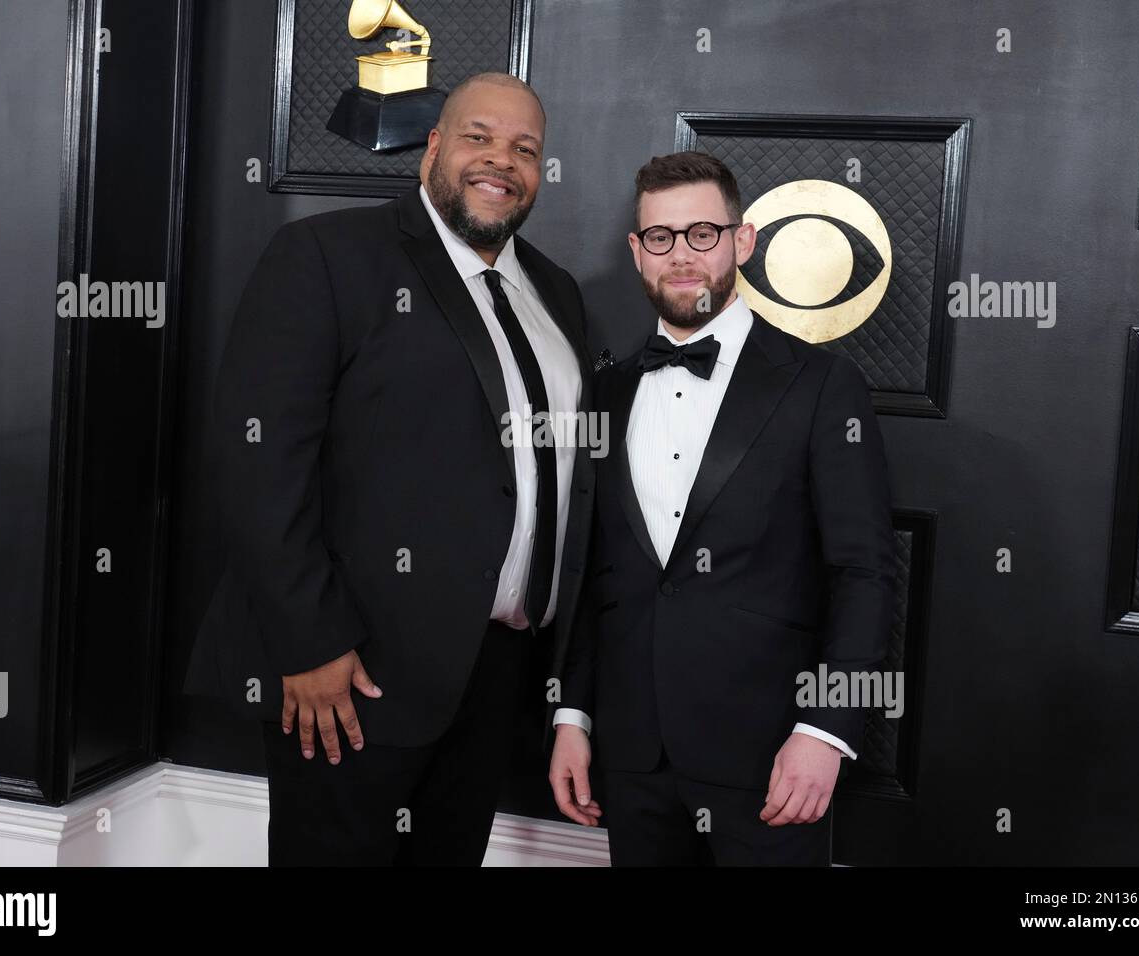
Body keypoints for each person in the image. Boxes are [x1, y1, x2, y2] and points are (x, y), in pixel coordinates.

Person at [184, 72, 595, 865]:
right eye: (478, 137)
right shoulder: (326, 256)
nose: (500, 161)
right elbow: (260, 459)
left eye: (525, 149)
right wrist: (308, 645)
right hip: (351, 675)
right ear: (432, 148)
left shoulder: (558, 292)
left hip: (495, 672)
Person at [549, 151, 896, 866]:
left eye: (703, 234)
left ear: (744, 241)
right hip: (631, 755)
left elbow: (865, 573)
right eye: (661, 238)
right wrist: (573, 713)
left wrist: (826, 730)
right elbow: (593, 573)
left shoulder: (823, 385)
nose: (682, 256)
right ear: (636, 252)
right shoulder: (605, 394)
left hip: (773, 757)